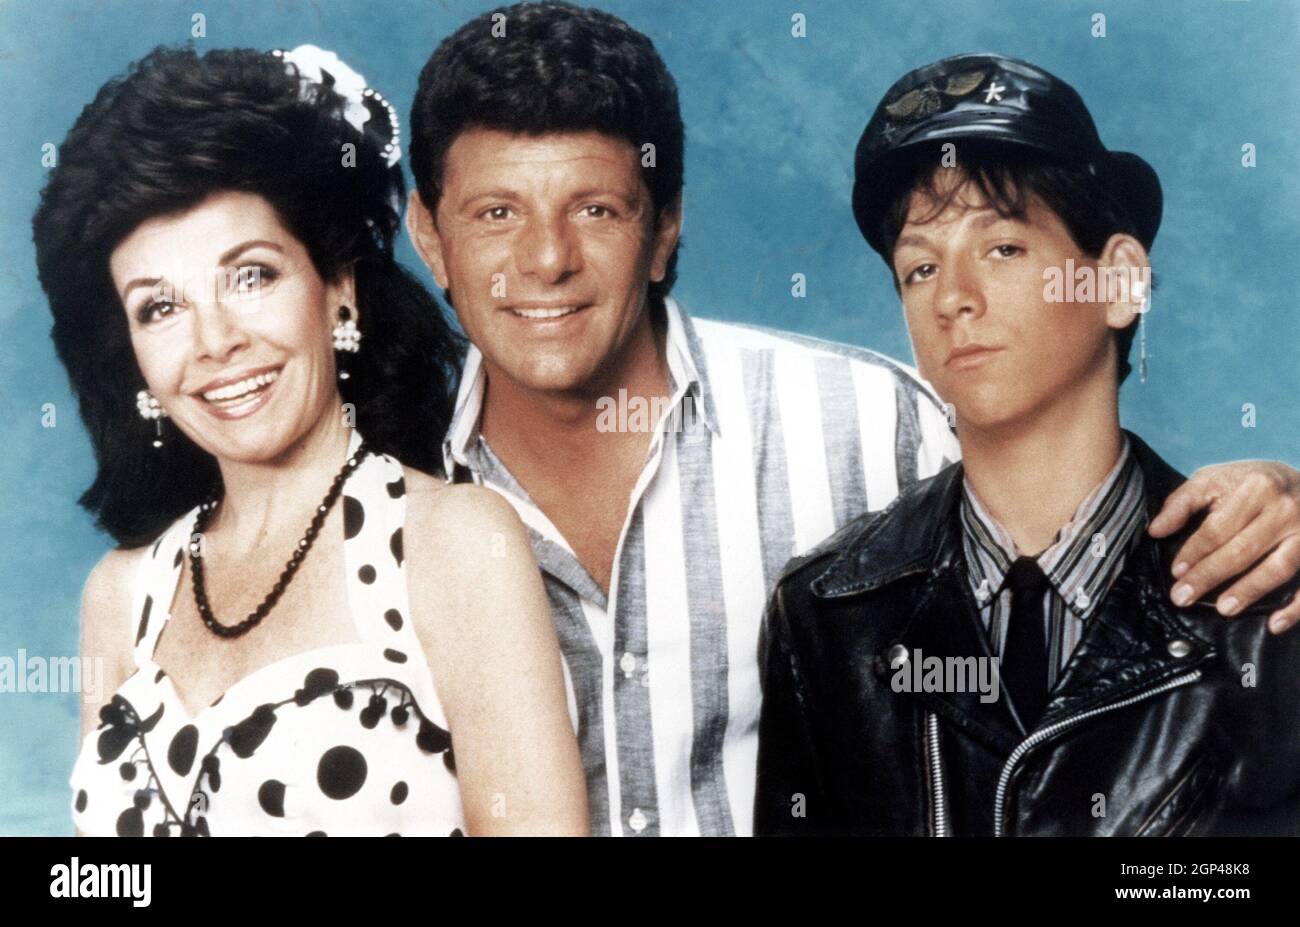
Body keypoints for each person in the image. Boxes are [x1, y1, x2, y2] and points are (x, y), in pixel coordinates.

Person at [405, 4, 1300, 836]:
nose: (547, 259)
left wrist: (1281, 500)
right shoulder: (383, 502)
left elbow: (1079, 499)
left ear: (666, 227)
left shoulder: (874, 421)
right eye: (495, 214)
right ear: (428, 234)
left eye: (596, 209)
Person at [33, 44, 586, 836]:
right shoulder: (120, 598)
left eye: (250, 275)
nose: (214, 340)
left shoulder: (451, 543)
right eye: (160, 307)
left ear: (338, 291)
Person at [753, 53, 1300, 836]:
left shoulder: (1265, 600)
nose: (953, 299)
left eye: (1003, 248)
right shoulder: (830, 615)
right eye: (918, 267)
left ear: (1118, 282)